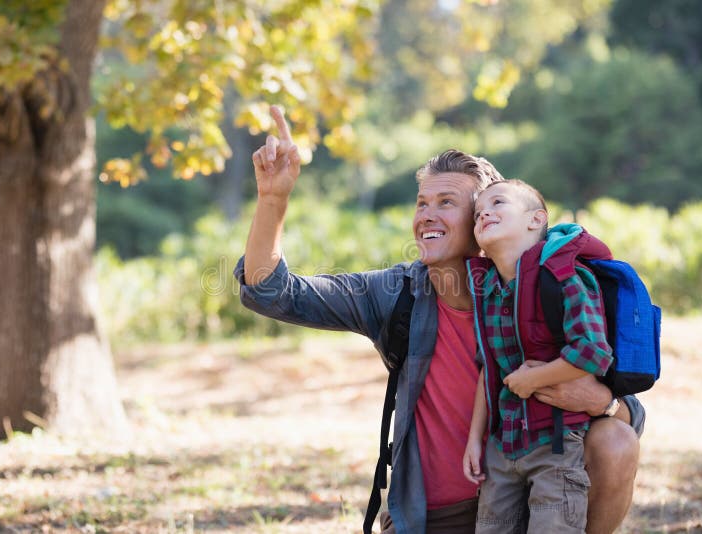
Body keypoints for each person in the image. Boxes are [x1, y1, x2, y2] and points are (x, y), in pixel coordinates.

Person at [236, 104, 643, 533]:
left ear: (485, 219)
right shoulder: (395, 294)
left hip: (527, 506)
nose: (426, 216)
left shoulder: (543, 292)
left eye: (447, 203)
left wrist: (602, 402)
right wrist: (273, 200)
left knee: (615, 441)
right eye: (422, 204)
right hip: (429, 518)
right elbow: (273, 294)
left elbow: (630, 419)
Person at [462, 179, 614, 533]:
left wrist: (533, 379)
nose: (484, 213)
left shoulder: (563, 276)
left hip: (556, 444)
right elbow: (489, 367)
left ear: (536, 219)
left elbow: (592, 352)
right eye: (478, 212)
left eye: (497, 203)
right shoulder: (489, 290)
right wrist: (474, 440)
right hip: (503, 446)